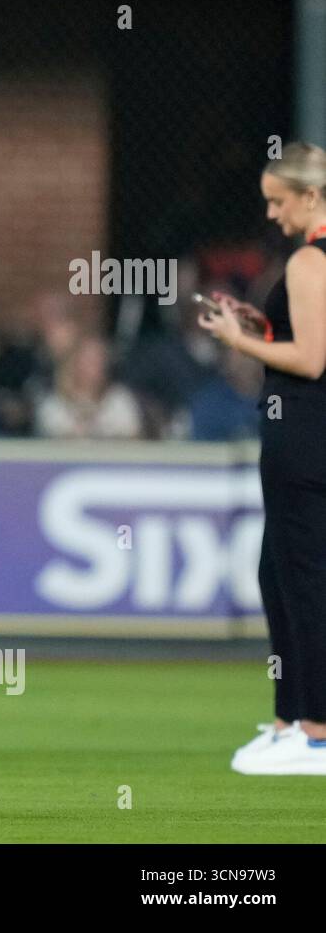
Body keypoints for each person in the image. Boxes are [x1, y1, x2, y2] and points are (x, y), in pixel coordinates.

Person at [199, 142, 326, 775]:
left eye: (279, 202)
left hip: (302, 435)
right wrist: (264, 327)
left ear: (309, 196)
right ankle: (290, 721)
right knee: (281, 574)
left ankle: (315, 730)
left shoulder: (310, 258)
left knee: (298, 581)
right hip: (307, 432)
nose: (272, 215)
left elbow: (311, 360)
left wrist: (240, 339)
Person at [33, 334, 143, 439]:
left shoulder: (119, 399)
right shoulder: (54, 404)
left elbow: (132, 439)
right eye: (89, 361)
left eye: (99, 361)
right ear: (74, 363)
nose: (96, 367)